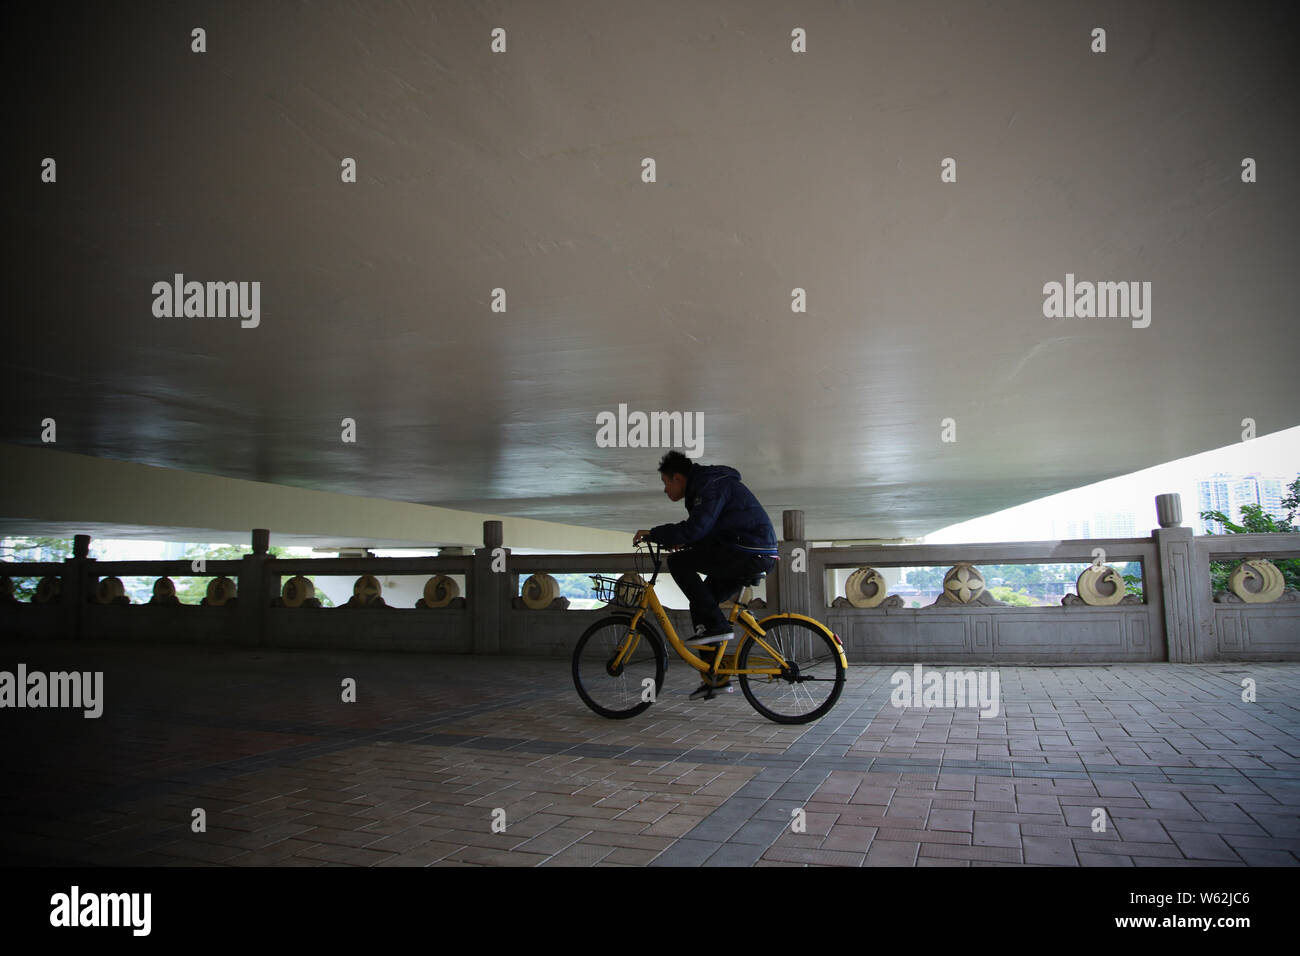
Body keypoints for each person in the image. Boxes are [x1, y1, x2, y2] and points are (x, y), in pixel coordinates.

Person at [633, 450, 779, 700]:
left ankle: (718, 626)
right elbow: (708, 532)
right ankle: (715, 678)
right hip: (745, 550)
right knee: (702, 604)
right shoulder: (703, 488)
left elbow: (697, 529)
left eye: (666, 483)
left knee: (679, 564)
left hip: (749, 552)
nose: (665, 490)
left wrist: (656, 534)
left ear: (678, 478)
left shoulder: (710, 485)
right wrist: (687, 542)